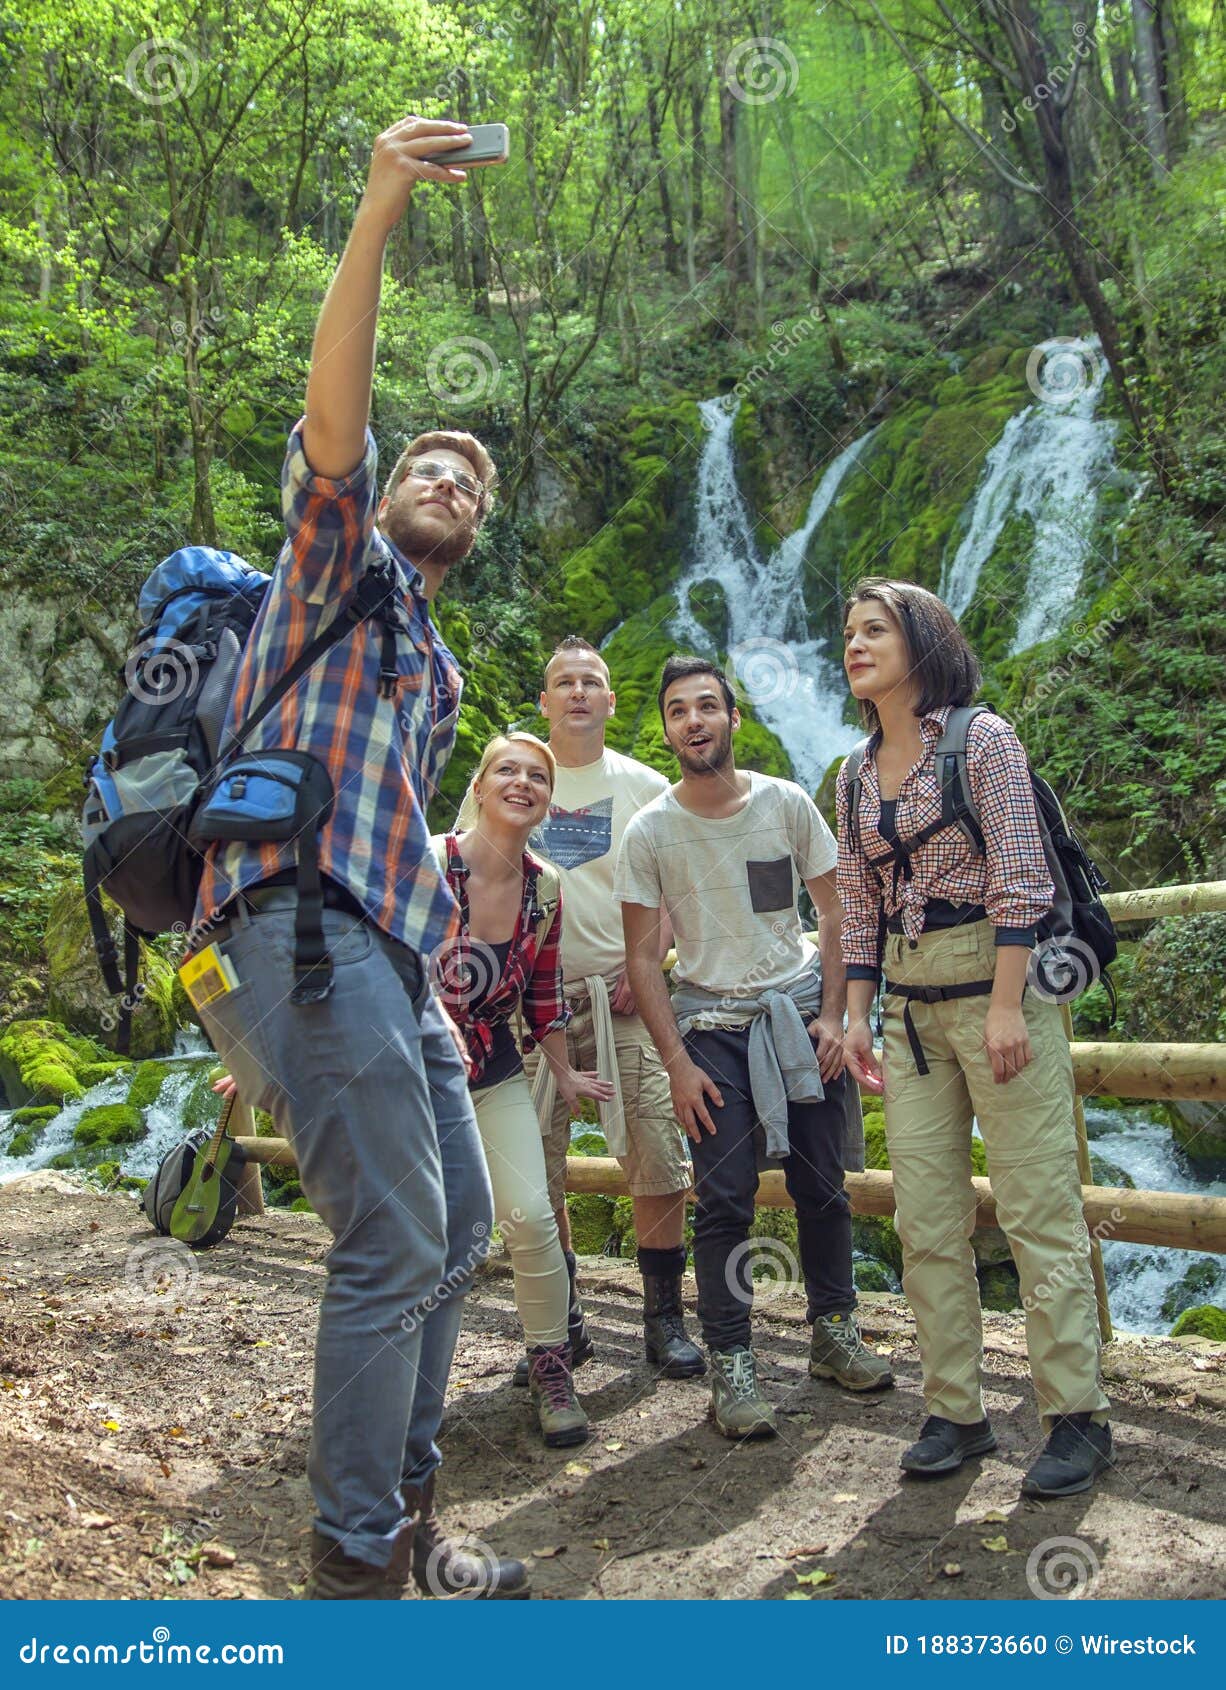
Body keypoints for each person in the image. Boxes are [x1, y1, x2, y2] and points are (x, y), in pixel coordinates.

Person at [188, 116, 529, 1600]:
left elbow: (413, 837)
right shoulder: (334, 563)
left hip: (394, 958)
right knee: (391, 1240)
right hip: (294, 930)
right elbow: (339, 414)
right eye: (430, 462)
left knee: (456, 1234)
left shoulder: (435, 671)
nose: (445, 476)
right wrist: (380, 211)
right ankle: (355, 1560)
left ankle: (400, 1503)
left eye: (470, 478)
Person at [837, 577, 1112, 1498]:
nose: (855, 644)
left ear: (922, 642)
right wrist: (856, 1015)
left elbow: (1024, 879)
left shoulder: (984, 739)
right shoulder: (851, 775)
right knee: (927, 1218)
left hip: (1002, 993)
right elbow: (862, 909)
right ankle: (955, 1410)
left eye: (875, 629)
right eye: (848, 633)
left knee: (1037, 1208)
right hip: (911, 1010)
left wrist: (1005, 1004)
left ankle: (1075, 1416)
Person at [616, 655, 893, 1439]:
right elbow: (642, 958)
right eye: (678, 710)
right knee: (726, 1196)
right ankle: (732, 1364)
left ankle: (834, 1334)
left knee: (824, 1187)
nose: (694, 721)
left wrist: (837, 1017)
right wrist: (674, 1065)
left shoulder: (787, 803)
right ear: (667, 727)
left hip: (802, 1015)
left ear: (734, 720)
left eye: (708, 706)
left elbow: (837, 916)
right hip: (709, 1030)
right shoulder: (653, 831)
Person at [518, 635, 703, 1386]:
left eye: (591, 682)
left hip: (623, 996)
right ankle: (561, 1321)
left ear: (611, 700)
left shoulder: (647, 786)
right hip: (533, 1006)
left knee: (658, 1155)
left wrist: (650, 957)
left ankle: (664, 1319)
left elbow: (682, 883)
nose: (579, 693)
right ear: (545, 701)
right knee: (536, 1167)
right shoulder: (515, 776)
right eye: (564, 682)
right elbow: (473, 867)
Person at [430, 731, 614, 1447]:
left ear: (547, 801)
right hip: (414, 1074)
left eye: (538, 775)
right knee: (427, 1233)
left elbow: (541, 997)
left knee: (532, 1219)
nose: (523, 782)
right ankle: (404, 1388)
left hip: (492, 1066)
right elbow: (369, 958)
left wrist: (564, 1071)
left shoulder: (545, 886)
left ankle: (551, 1365)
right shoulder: (427, 865)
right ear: (479, 787)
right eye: (506, 769)